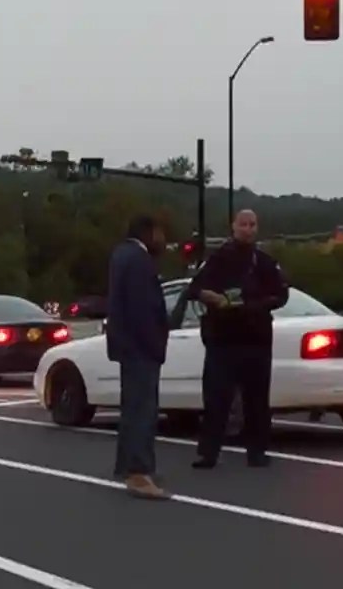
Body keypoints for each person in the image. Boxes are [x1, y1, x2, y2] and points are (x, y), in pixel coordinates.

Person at [186, 209, 288, 469]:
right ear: (233, 226)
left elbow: (281, 295)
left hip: (256, 339)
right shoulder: (219, 259)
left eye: (252, 224)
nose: (248, 229)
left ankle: (257, 452)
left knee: (257, 401)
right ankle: (208, 453)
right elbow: (195, 289)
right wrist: (217, 299)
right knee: (216, 399)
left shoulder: (265, 262)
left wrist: (254, 305)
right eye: (243, 224)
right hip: (223, 339)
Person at [105, 214, 171, 500]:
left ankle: (131, 466)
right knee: (142, 410)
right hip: (140, 348)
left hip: (128, 346)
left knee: (132, 408)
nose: (163, 239)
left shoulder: (122, 255)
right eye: (160, 233)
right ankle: (138, 472)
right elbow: (142, 310)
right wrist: (156, 344)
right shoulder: (139, 261)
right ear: (148, 232)